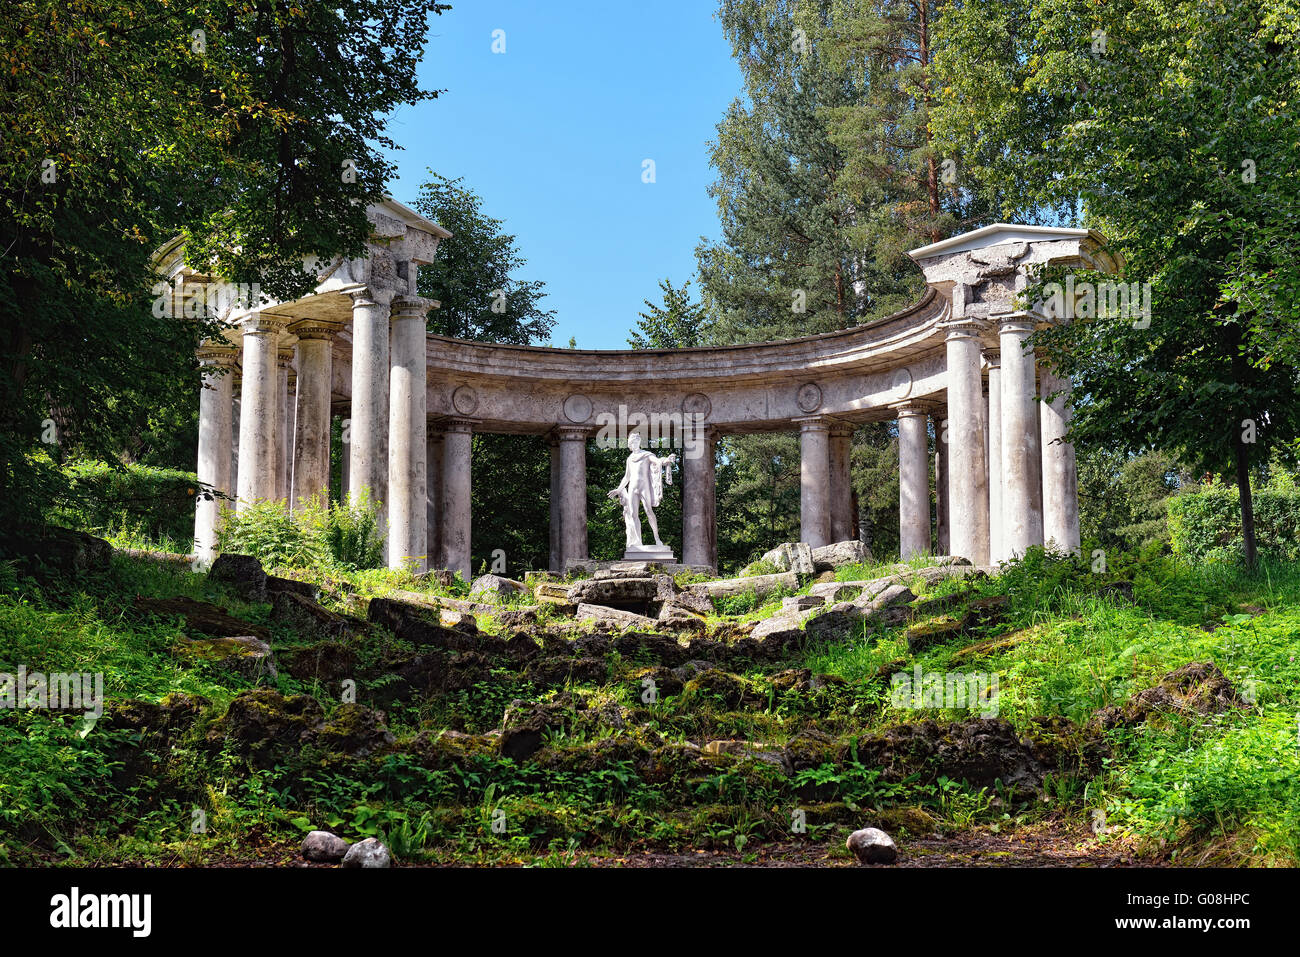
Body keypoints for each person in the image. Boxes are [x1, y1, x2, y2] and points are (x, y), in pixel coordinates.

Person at [607, 432, 676, 548]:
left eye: (637, 441)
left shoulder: (646, 455)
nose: (635, 444)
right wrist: (619, 489)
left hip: (644, 487)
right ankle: (638, 541)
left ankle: (657, 538)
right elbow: (627, 476)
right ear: (630, 444)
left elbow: (657, 461)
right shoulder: (629, 459)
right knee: (633, 514)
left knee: (649, 511)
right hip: (632, 487)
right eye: (633, 442)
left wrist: (666, 461)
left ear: (639, 442)